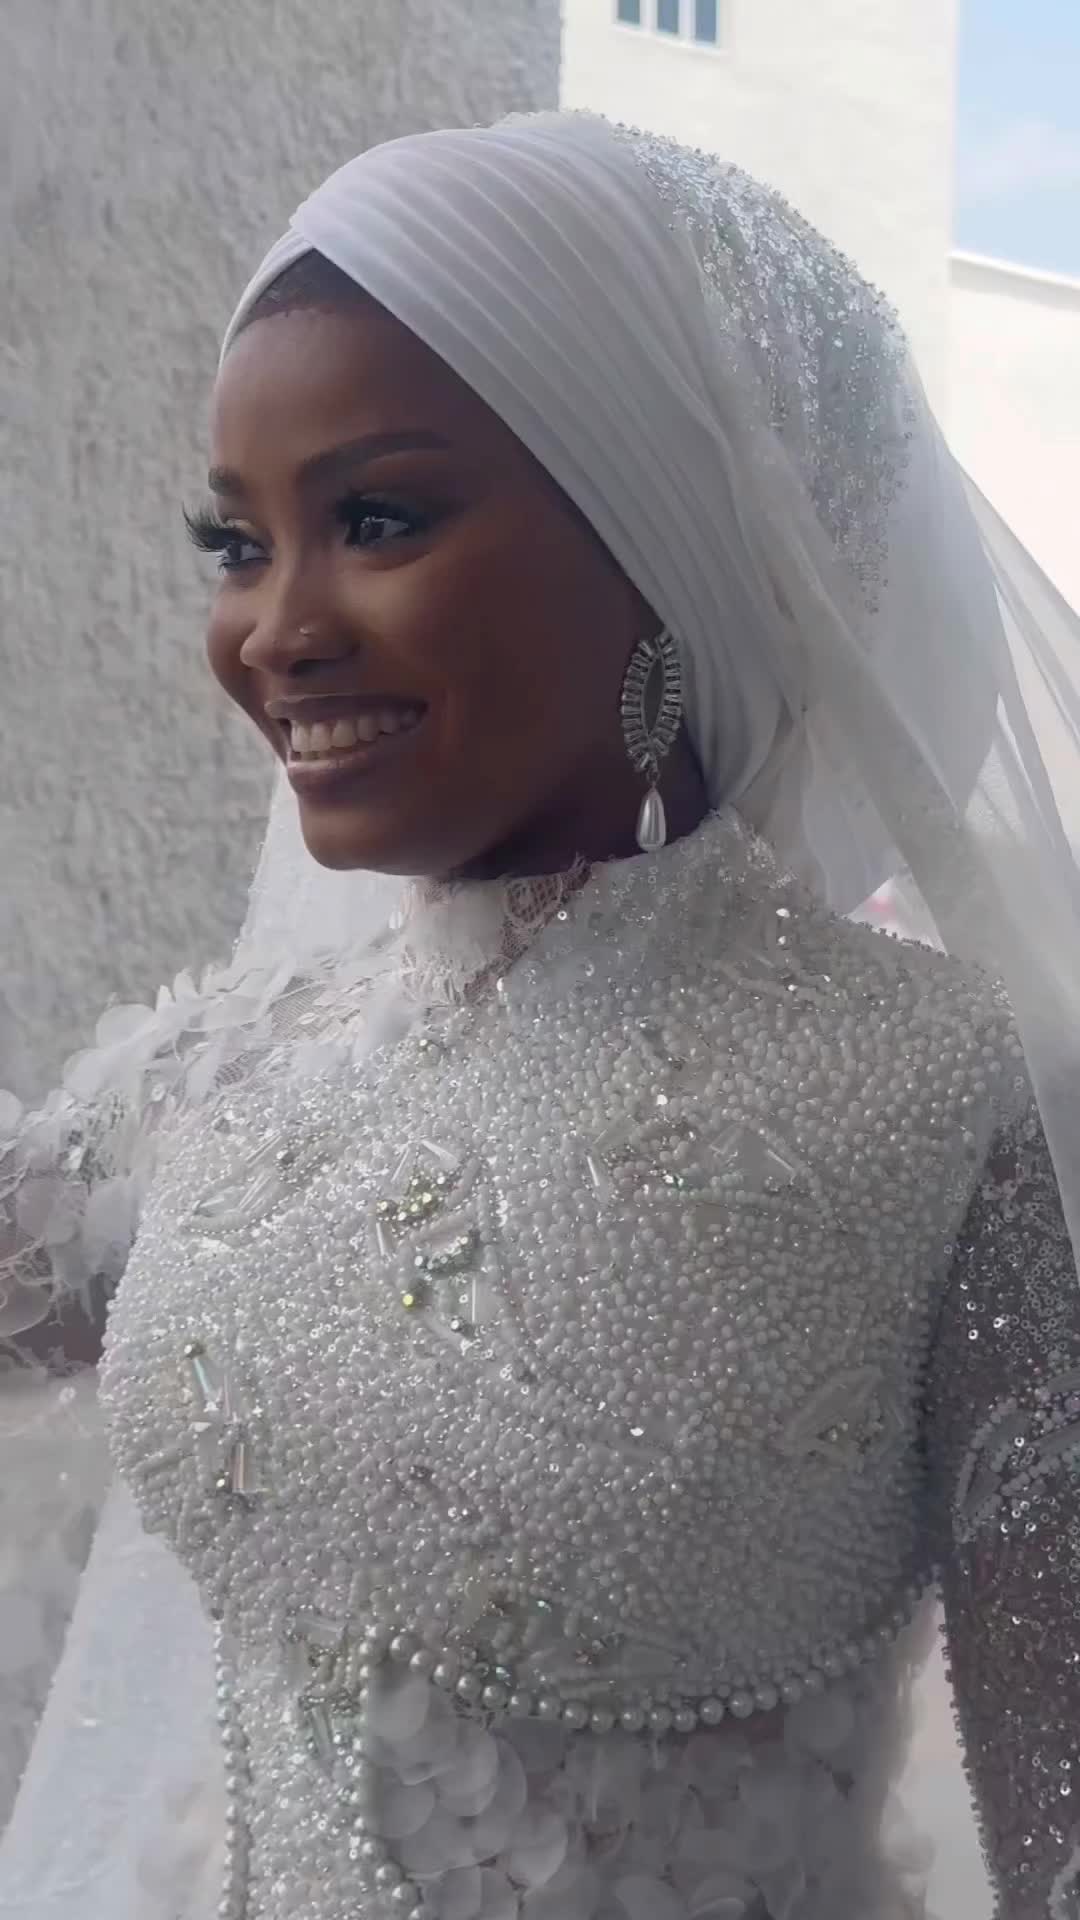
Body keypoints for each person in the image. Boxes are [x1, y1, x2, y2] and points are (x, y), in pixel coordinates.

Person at [2, 108, 1080, 1920]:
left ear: (666, 544)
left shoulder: (949, 1099)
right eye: (235, 542)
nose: (275, 629)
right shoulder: (227, 1071)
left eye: (378, 517)